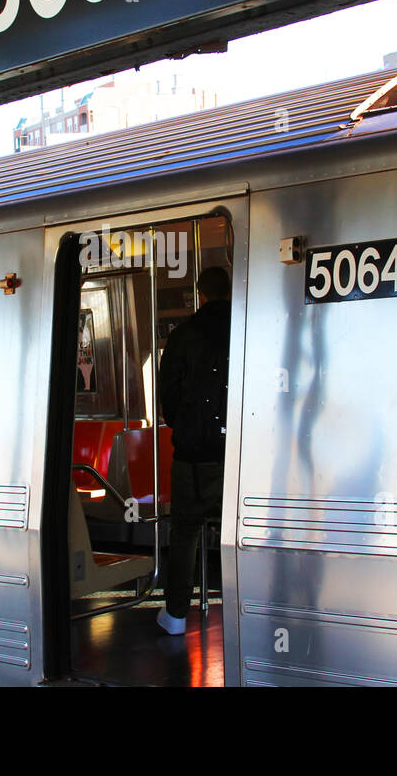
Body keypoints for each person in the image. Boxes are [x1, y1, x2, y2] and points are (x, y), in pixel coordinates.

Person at [156, 265, 230, 635]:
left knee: (186, 532)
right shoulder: (246, 329)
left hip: (191, 456)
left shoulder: (182, 337)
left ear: (200, 295)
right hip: (235, 457)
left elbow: (168, 401)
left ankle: (176, 615)